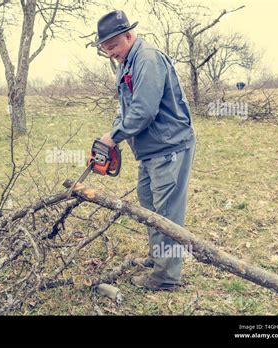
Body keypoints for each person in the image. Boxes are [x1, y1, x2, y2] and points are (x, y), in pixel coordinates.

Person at [94, 10, 197, 291]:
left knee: (167, 213)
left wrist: (114, 137)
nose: (111, 53)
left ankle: (167, 278)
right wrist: (109, 136)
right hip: (151, 149)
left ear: (128, 35)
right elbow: (126, 108)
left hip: (169, 146)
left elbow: (144, 110)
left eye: (113, 45)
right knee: (150, 205)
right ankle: (158, 259)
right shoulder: (126, 63)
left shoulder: (148, 59)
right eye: (106, 49)